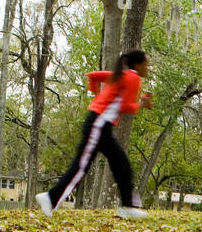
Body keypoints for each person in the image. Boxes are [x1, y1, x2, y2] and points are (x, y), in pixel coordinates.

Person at [36, 50, 153, 220]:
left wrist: (96, 94)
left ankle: (128, 207)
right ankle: (50, 198)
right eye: (146, 64)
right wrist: (141, 104)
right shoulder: (133, 77)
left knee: (122, 164)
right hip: (98, 124)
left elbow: (92, 76)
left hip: (100, 125)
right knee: (81, 166)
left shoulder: (119, 75)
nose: (147, 68)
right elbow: (126, 106)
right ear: (138, 64)